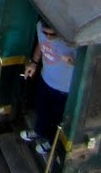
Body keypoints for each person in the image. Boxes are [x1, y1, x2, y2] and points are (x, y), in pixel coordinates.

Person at [20, 20, 77, 160]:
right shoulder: (40, 27)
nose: (48, 37)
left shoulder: (73, 41)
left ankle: (51, 143)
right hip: (45, 79)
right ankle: (38, 131)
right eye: (45, 33)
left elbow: (86, 63)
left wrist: (72, 62)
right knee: (41, 108)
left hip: (64, 89)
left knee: (56, 118)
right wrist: (34, 63)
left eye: (52, 35)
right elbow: (41, 43)